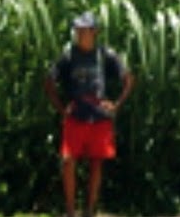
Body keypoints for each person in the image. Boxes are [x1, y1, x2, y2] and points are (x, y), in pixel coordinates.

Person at [43, 11, 135, 217]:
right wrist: (61, 108)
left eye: (84, 30)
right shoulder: (68, 55)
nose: (79, 33)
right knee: (68, 161)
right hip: (75, 116)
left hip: (99, 117)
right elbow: (49, 81)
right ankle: (70, 211)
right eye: (77, 30)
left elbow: (128, 78)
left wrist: (116, 105)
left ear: (95, 32)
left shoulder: (106, 55)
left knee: (96, 162)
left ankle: (89, 210)